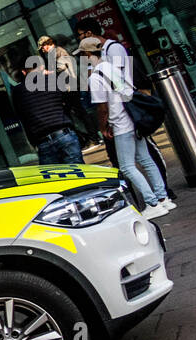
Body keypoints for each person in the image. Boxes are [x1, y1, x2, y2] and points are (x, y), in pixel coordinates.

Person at [76, 37, 173, 219]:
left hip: (120, 124)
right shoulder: (111, 67)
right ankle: (163, 198)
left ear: (87, 54)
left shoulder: (96, 77)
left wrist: (103, 127)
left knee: (127, 166)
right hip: (133, 119)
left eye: (81, 55)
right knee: (145, 159)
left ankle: (152, 203)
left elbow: (102, 107)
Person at [9, 55, 84, 164]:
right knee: (77, 171)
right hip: (64, 133)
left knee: (53, 174)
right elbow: (71, 99)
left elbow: (22, 117)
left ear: (24, 72)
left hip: (43, 141)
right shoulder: (54, 80)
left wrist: (33, 142)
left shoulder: (17, 91)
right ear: (41, 67)